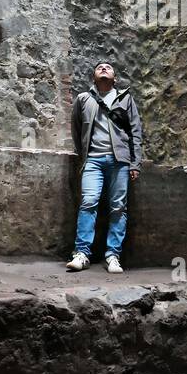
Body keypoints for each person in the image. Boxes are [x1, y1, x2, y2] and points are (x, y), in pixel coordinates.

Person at [67, 61, 143, 273]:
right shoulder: (84, 99)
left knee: (118, 207)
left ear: (114, 78)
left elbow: (135, 132)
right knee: (88, 202)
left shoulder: (125, 99)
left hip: (120, 162)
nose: (103, 69)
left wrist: (135, 162)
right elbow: (76, 129)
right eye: (99, 67)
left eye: (108, 67)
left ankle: (113, 255)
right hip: (93, 160)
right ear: (93, 77)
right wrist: (84, 155)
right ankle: (82, 254)